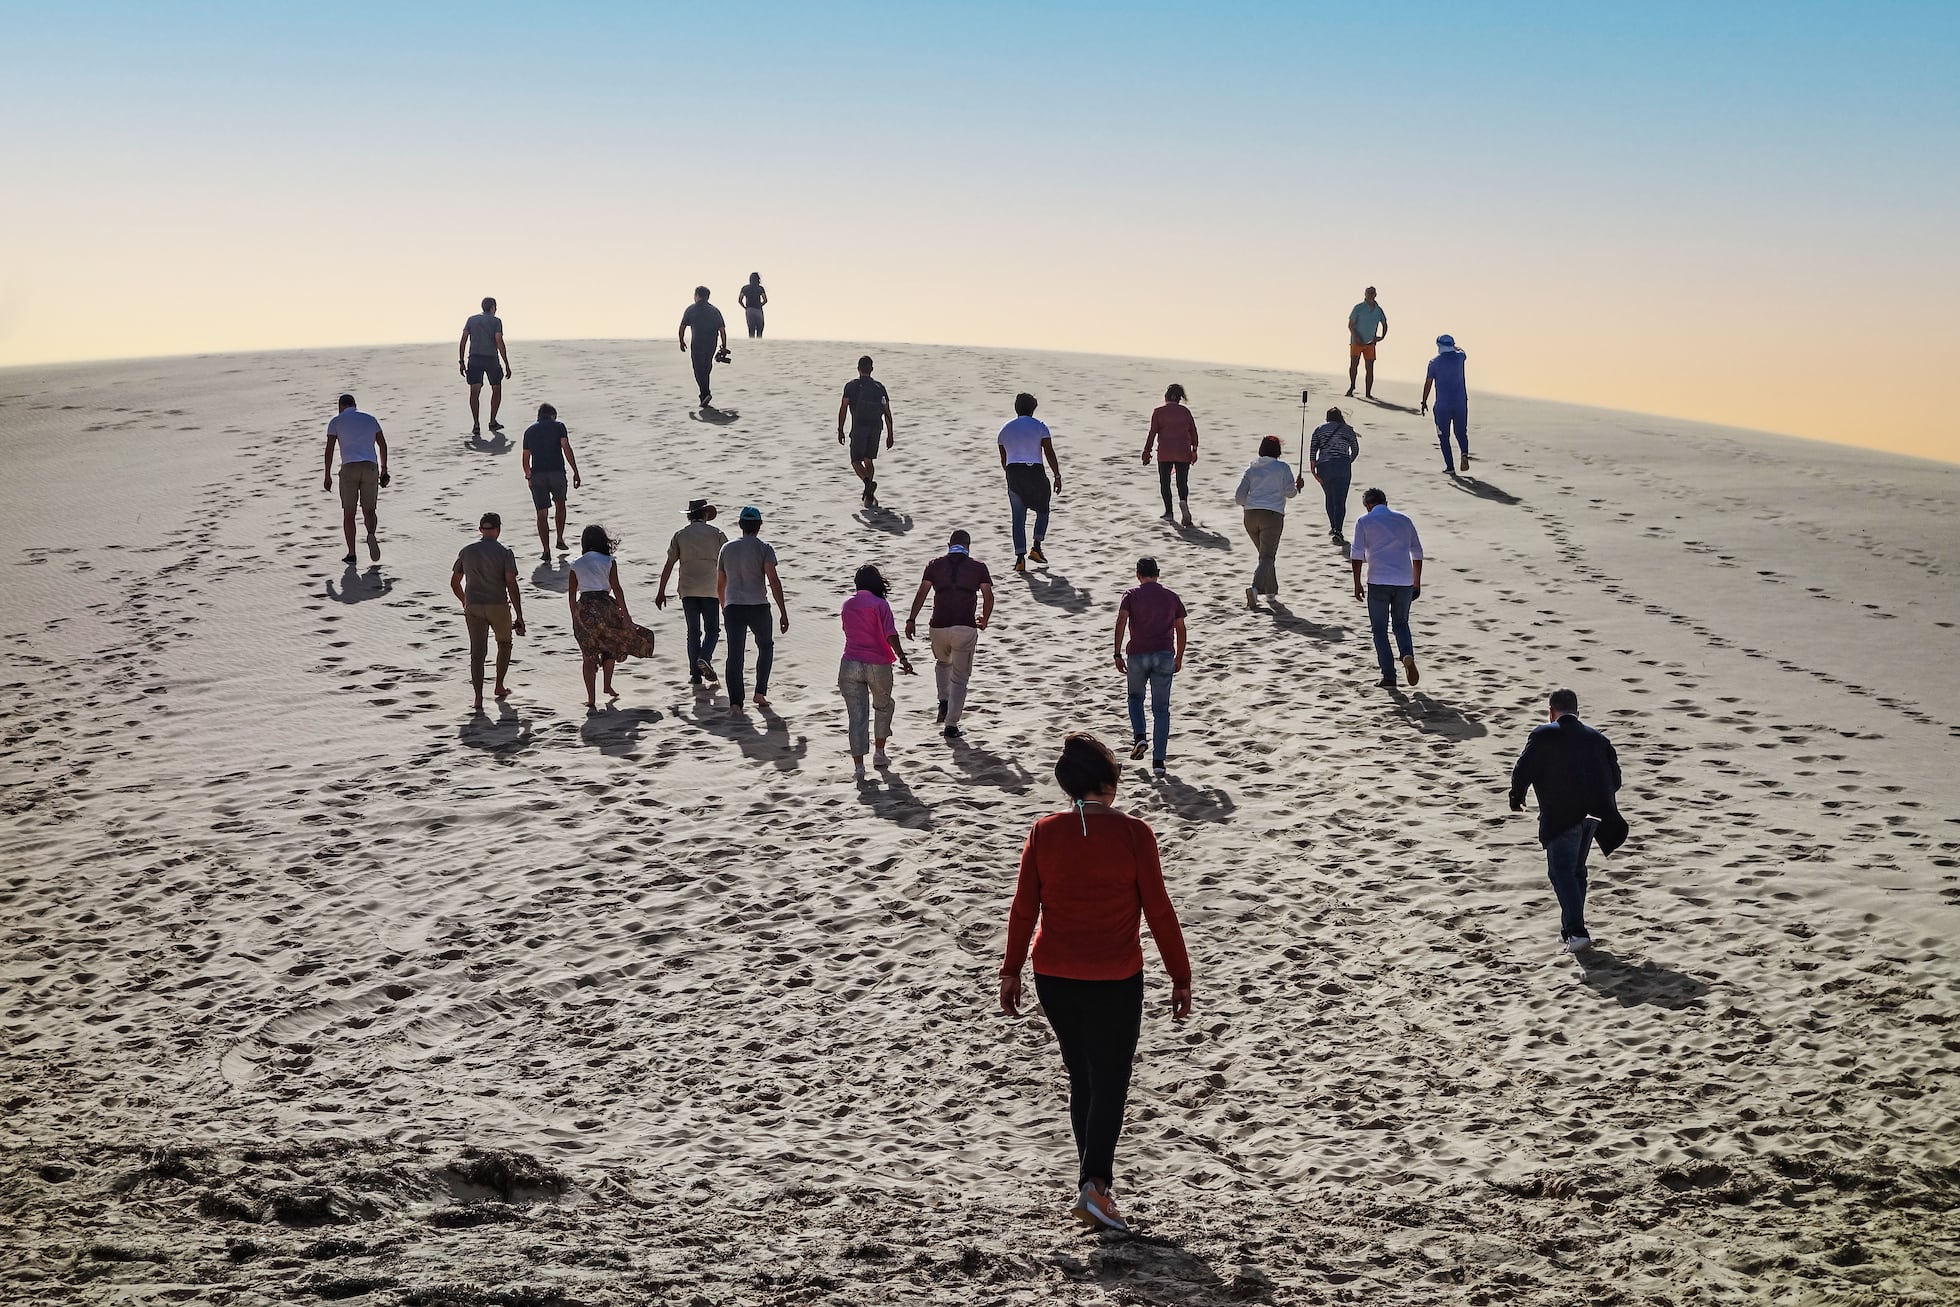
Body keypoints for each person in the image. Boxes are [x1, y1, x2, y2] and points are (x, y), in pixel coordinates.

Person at [998, 732, 1193, 1234]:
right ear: (1108, 782)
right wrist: (1180, 974)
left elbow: (1024, 909)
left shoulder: (1043, 832)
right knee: (1110, 1080)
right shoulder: (1134, 833)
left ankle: (1090, 1184)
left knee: (1083, 1076)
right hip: (1115, 975)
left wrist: (1011, 969)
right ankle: (1095, 1187)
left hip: (1053, 975)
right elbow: (1159, 910)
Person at [1508, 689, 1628, 953]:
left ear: (1551, 712)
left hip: (1562, 815)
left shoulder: (1543, 734)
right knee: (1576, 872)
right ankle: (1568, 930)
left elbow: (1522, 769)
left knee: (1560, 872)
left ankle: (1577, 932)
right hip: (1595, 816)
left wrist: (1517, 797)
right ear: (1578, 712)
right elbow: (1616, 778)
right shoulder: (1598, 739)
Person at [904, 530, 995, 739]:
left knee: (943, 663)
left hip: (938, 626)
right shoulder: (978, 567)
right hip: (965, 626)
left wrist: (911, 619)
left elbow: (922, 593)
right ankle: (951, 725)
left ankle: (943, 700)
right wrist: (985, 618)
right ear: (968, 546)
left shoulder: (934, 565)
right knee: (960, 679)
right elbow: (988, 596)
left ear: (949, 545)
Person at [839, 564, 916, 781]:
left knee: (857, 716)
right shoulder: (880, 604)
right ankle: (880, 753)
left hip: (849, 663)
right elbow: (890, 634)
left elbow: (847, 631)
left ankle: (858, 767)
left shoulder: (847, 604)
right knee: (883, 706)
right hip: (877, 664)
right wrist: (902, 657)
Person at [1113, 557, 1187, 775]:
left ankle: (1140, 737)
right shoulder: (1171, 597)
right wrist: (1179, 656)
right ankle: (1159, 763)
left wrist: (1117, 653)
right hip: (1164, 655)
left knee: (1135, 698)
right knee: (1161, 709)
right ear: (1158, 573)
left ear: (1138, 574)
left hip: (1137, 654)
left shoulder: (1131, 595)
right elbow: (1181, 628)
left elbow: (1121, 622)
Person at [449, 512, 527, 711]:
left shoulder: (466, 551)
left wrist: (465, 602)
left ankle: (478, 698)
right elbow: (511, 582)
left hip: (474, 606)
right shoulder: (505, 552)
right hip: (498, 605)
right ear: (498, 530)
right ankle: (499, 685)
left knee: (477, 653)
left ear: (480, 530)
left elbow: (455, 583)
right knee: (504, 643)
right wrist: (519, 615)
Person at [1348, 488, 1425, 688]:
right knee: (1401, 623)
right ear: (1386, 502)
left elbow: (1356, 555)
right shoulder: (1404, 520)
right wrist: (1416, 581)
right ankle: (1407, 654)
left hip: (1378, 580)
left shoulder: (1364, 522)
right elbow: (1417, 552)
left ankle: (1389, 676)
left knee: (1379, 629)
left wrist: (1356, 583)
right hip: (1404, 580)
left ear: (1367, 506)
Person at [716, 506, 790, 711]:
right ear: (759, 526)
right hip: (758, 605)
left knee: (735, 654)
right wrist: (783, 611)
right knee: (765, 647)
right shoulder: (764, 548)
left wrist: (724, 606)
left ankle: (735, 703)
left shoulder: (727, 549)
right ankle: (759, 692)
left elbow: (720, 583)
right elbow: (773, 581)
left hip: (733, 606)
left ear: (740, 525)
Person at [656, 498, 730, 691]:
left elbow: (669, 564)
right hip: (710, 588)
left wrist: (661, 591)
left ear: (689, 516)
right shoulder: (717, 534)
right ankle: (704, 657)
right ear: (705, 515)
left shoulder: (680, 535)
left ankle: (695, 676)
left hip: (688, 589)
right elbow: (728, 562)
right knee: (712, 630)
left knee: (693, 632)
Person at [568, 524, 645, 708]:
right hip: (606, 606)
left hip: (585, 608)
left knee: (588, 654)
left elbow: (571, 593)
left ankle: (591, 698)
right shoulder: (609, 561)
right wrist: (626, 614)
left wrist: (574, 616)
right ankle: (607, 684)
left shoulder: (576, 564)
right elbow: (616, 588)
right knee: (609, 647)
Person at [1232, 436, 1304, 610]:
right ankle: (1255, 589)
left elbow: (1239, 497)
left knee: (1264, 555)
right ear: (1278, 450)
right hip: (1272, 515)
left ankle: (1271, 591)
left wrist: (1249, 504)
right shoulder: (1282, 468)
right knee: (1267, 556)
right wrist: (1297, 486)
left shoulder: (1252, 468)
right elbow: (1290, 493)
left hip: (1250, 516)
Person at [998, 392, 1063, 574]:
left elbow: (1004, 460)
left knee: (1018, 518)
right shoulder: (1040, 426)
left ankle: (1020, 559)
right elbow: (1049, 452)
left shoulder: (1004, 430)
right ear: (1033, 409)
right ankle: (1036, 547)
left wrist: (1012, 476)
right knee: (1043, 510)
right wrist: (1057, 475)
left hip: (1013, 473)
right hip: (1034, 471)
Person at [323, 393, 389, 565]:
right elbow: (382, 444)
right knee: (369, 510)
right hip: (370, 466)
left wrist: (327, 474)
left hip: (349, 467)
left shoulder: (336, 422)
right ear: (355, 404)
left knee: (349, 513)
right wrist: (384, 469)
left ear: (340, 407)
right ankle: (371, 534)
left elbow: (329, 450)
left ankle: (352, 553)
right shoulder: (370, 419)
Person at [521, 403, 582, 562]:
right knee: (560, 504)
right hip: (557, 473)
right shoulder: (559, 426)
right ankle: (560, 539)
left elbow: (526, 458)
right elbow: (566, 448)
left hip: (538, 476)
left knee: (541, 513)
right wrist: (575, 470)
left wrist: (528, 476)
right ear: (553, 415)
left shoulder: (529, 431)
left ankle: (546, 550)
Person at [838, 355, 894, 508]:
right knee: (868, 459)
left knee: (856, 460)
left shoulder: (851, 386)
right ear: (872, 369)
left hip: (859, 427)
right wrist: (890, 434)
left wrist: (840, 429)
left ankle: (867, 483)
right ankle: (868, 496)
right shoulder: (879, 387)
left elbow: (843, 408)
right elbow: (887, 412)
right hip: (876, 427)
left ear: (858, 369)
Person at [1141, 384, 1198, 526]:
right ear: (1179, 398)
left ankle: (1169, 512)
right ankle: (1183, 502)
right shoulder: (1185, 412)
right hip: (1183, 451)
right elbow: (1193, 432)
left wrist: (1147, 451)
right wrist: (1194, 449)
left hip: (1165, 451)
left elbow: (1152, 433)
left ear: (1166, 396)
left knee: (1165, 482)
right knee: (1182, 482)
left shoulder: (1158, 412)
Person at [1307, 407, 1362, 545]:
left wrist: (1313, 470)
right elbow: (1355, 449)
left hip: (1324, 465)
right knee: (1340, 500)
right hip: (1342, 465)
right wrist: (1348, 460)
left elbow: (1313, 450)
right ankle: (1338, 530)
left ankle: (1333, 525)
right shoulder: (1348, 429)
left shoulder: (1319, 429)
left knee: (1329, 497)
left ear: (1327, 417)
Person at [459, 297, 512, 437]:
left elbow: (463, 340)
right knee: (496, 388)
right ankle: (492, 421)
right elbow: (499, 342)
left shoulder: (471, 320)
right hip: (491, 359)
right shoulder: (496, 321)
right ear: (493, 307)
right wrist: (506, 363)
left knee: (474, 391)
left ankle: (476, 424)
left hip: (474, 358)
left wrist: (461, 361)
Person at [1420, 334, 1471, 472]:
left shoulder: (1434, 362)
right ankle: (1464, 453)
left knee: (1444, 436)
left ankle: (1450, 467)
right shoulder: (1460, 357)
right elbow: (1462, 351)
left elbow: (1428, 384)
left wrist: (1423, 401)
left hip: (1442, 405)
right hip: (1460, 402)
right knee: (1461, 432)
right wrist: (1455, 346)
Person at [679, 286, 729, 409]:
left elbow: (682, 327)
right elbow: (722, 330)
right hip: (711, 343)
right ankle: (704, 393)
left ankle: (705, 393)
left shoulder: (690, 309)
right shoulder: (715, 310)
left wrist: (681, 341)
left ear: (697, 296)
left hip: (697, 343)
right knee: (706, 366)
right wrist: (723, 345)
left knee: (698, 369)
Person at [1345, 286, 1387, 399]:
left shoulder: (1378, 310)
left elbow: (1384, 323)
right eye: (1368, 293)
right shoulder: (1358, 307)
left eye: (1372, 293)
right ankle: (1352, 386)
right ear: (1365, 294)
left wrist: (1381, 337)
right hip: (1356, 341)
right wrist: (1356, 337)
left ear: (1375, 295)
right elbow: (1350, 325)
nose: (1370, 295)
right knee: (1354, 364)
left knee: (1370, 367)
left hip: (1370, 343)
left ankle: (1368, 393)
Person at [737, 273, 768, 338]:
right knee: (760, 329)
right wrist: (760, 305)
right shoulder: (760, 288)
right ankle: (759, 344)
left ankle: (751, 345)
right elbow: (765, 300)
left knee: (751, 329)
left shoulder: (745, 288)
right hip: (758, 310)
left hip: (749, 310)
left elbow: (740, 299)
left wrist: (745, 307)